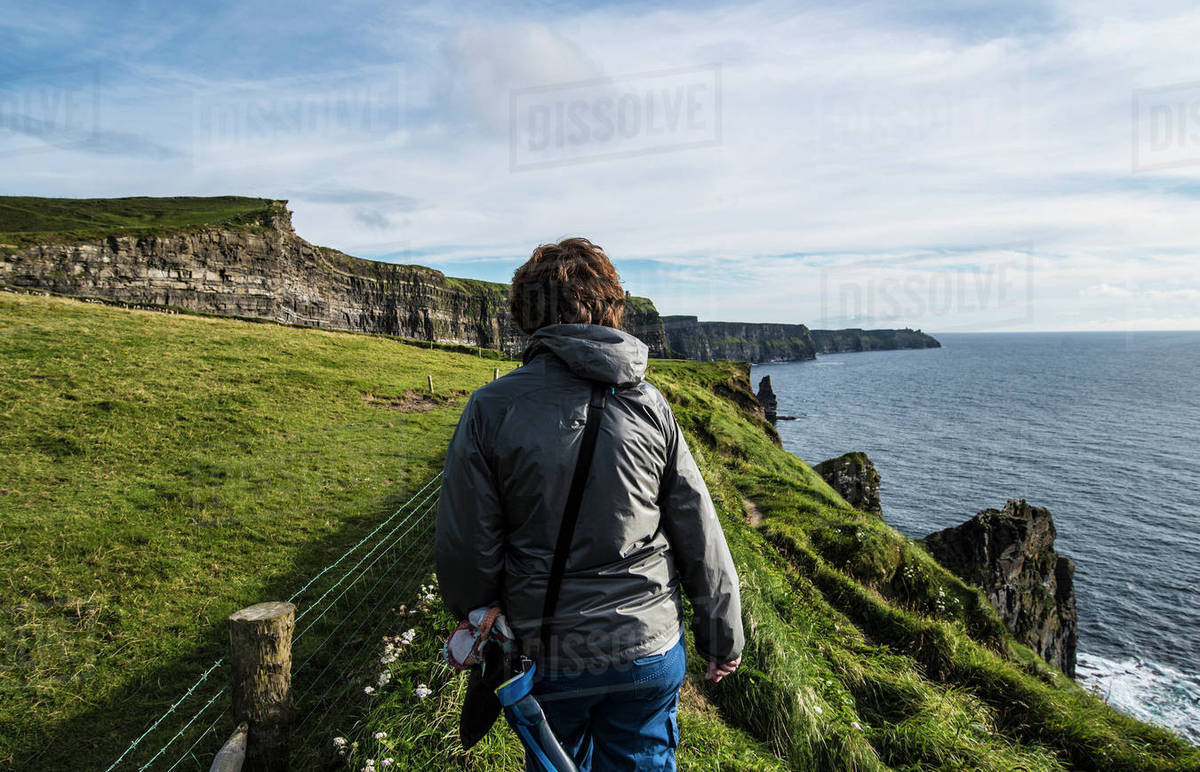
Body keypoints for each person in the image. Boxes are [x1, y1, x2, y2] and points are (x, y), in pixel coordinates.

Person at [435, 237, 744, 771]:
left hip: (547, 649)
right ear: (610, 307)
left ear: (526, 314)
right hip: (645, 646)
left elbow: (467, 544)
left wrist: (476, 613)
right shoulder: (650, 406)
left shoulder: (492, 408)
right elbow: (698, 527)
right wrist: (722, 635)